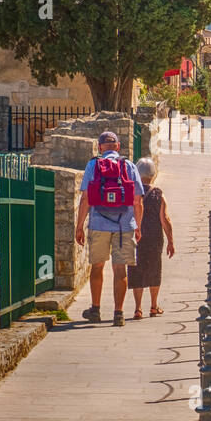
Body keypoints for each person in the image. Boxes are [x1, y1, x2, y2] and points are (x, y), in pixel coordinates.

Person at [75, 132, 146, 327]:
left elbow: (86, 199)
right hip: (124, 226)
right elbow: (138, 201)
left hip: (99, 223)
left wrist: (79, 226)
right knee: (119, 269)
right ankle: (119, 314)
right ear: (118, 146)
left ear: (100, 147)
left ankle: (96, 310)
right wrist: (137, 226)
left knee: (97, 267)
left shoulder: (93, 165)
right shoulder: (129, 166)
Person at [126, 158, 175, 319]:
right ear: (153, 174)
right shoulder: (158, 194)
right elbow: (165, 219)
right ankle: (154, 306)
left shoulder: (132, 192)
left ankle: (138, 309)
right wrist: (170, 241)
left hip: (136, 237)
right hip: (154, 237)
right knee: (154, 269)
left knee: (136, 270)